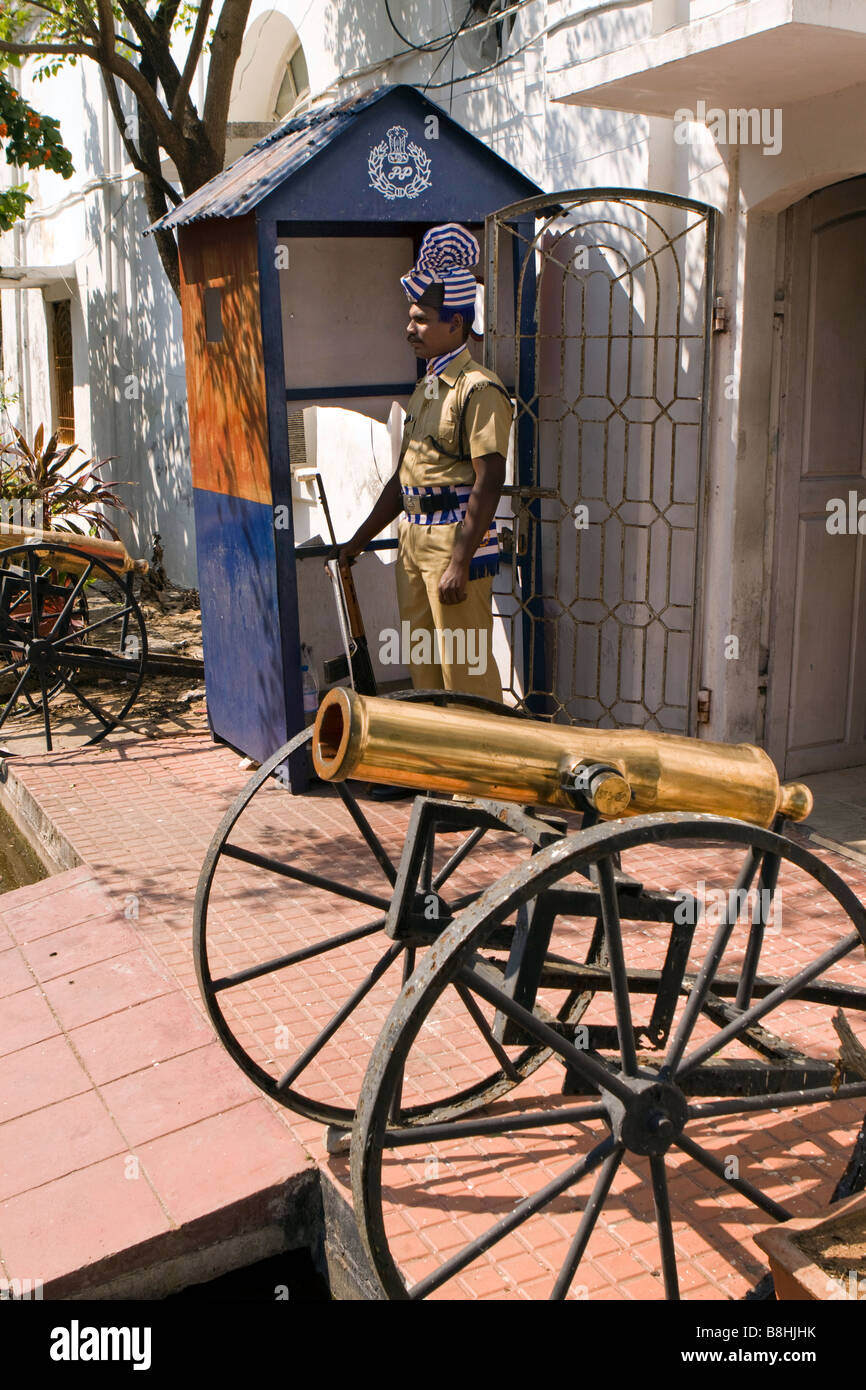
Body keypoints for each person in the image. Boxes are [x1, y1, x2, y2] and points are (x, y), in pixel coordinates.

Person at [337, 223, 513, 702]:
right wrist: (358, 542)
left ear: (455, 324)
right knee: (426, 670)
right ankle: (440, 776)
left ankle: (481, 774)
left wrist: (459, 561)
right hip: (413, 542)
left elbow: (490, 480)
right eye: (410, 317)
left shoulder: (479, 388)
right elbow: (404, 478)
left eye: (420, 319)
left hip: (454, 542)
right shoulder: (428, 388)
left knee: (465, 671)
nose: (409, 328)